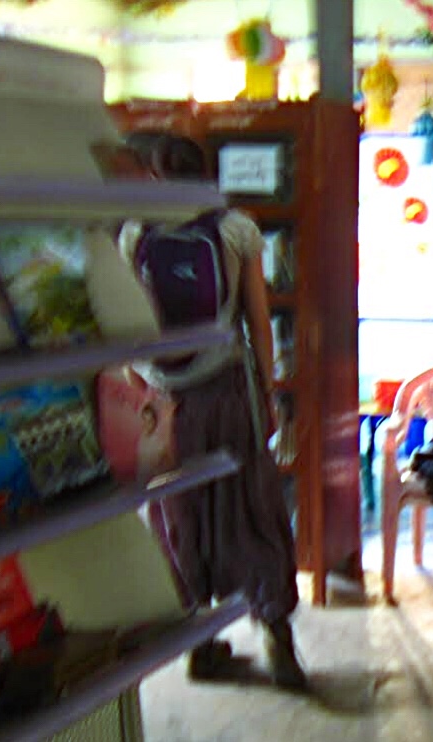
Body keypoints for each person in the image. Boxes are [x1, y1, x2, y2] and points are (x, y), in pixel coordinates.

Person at [119, 134, 306, 690]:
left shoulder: (135, 234)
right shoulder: (235, 230)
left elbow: (126, 330)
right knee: (250, 509)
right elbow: (257, 322)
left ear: (155, 177)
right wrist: (269, 394)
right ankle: (277, 636)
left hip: (164, 404)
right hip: (225, 396)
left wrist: (140, 393)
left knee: (180, 520)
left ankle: (198, 645)